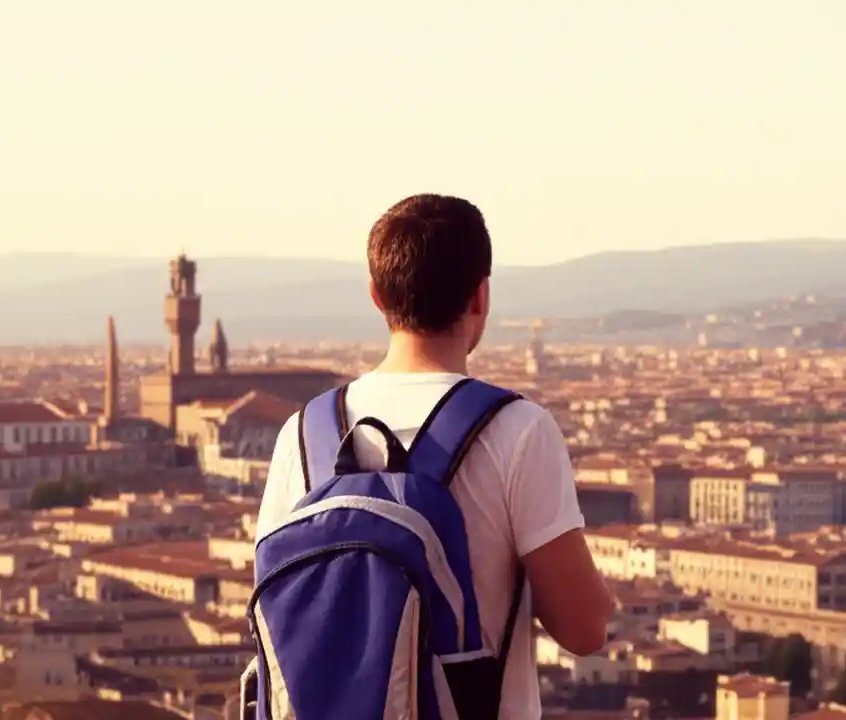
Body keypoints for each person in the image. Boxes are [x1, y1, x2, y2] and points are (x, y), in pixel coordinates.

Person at [256, 194, 612, 718]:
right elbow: (584, 631)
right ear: (480, 297)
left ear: (377, 296)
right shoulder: (518, 431)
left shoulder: (303, 435)